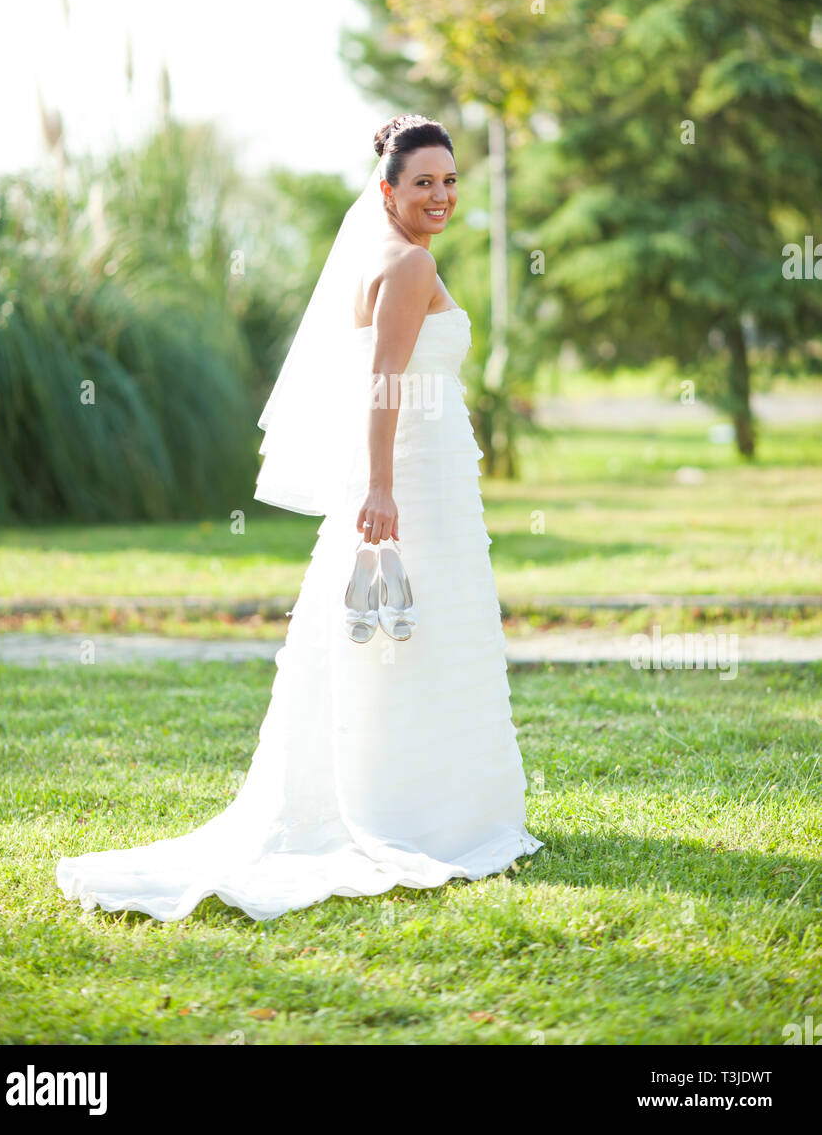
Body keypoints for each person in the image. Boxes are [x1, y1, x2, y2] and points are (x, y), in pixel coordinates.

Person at [56, 114, 543, 922]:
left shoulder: (383, 258)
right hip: (410, 482)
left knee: (404, 641)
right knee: (413, 634)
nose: (441, 195)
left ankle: (424, 806)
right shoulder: (410, 263)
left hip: (419, 471)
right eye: (423, 182)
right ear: (386, 189)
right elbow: (383, 384)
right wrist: (380, 489)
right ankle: (421, 816)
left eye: (450, 180)